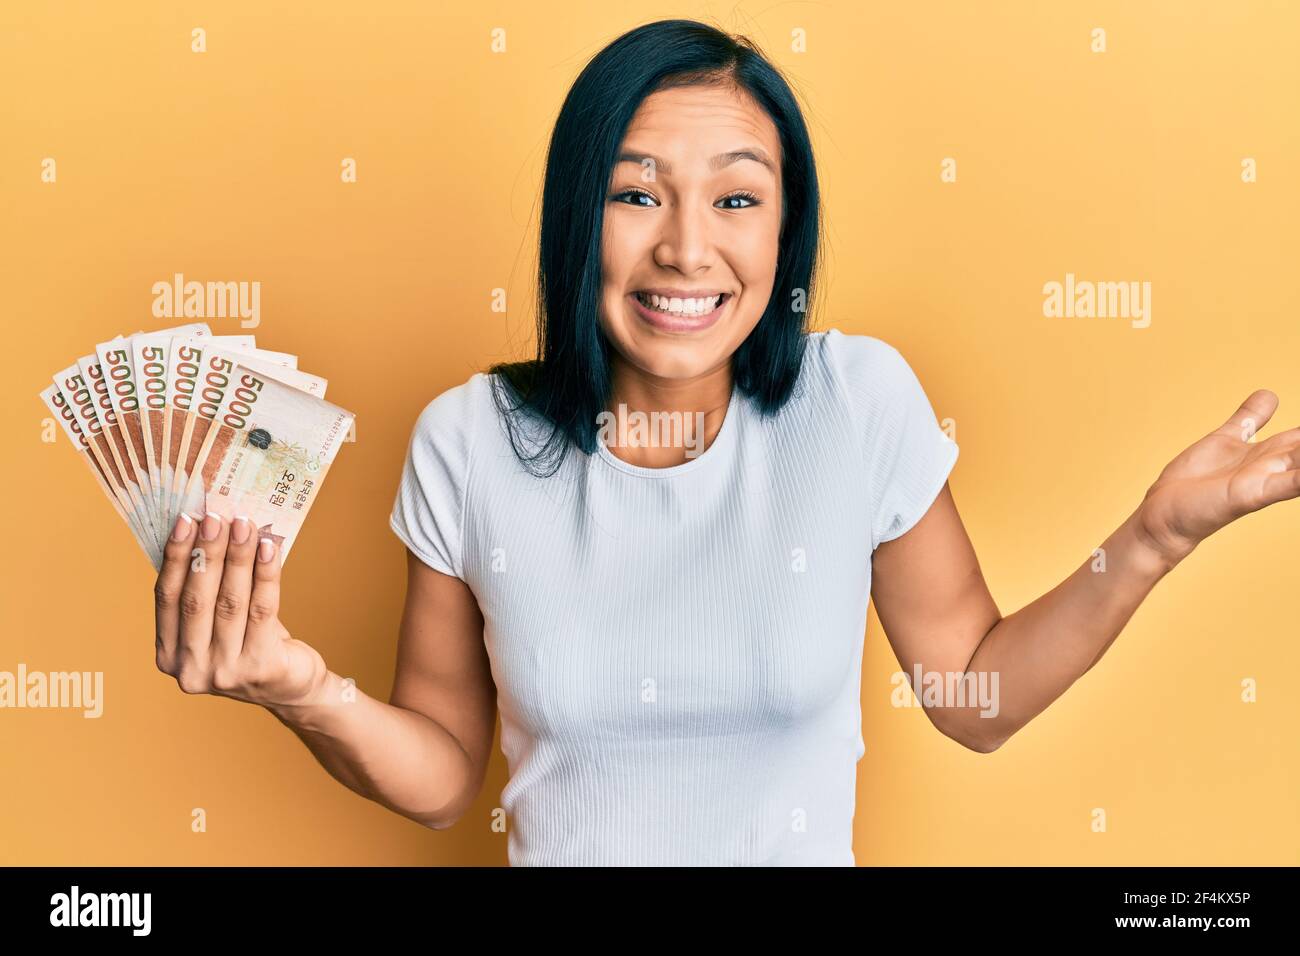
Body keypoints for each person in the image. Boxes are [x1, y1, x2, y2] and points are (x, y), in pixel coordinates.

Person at [151, 19, 1300, 866]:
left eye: (738, 201)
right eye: (635, 194)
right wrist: (299, 688)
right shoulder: (471, 440)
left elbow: (972, 697)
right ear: (573, 220)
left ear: (786, 229)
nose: (687, 249)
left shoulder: (854, 402)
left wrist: (1150, 537)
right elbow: (448, 772)